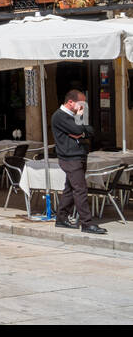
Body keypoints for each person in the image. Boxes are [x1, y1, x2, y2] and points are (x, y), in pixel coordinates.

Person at [53, 89, 105, 234]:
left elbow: (90, 131)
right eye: (81, 104)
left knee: (70, 189)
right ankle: (86, 223)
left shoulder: (76, 115)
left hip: (79, 156)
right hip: (70, 158)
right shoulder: (59, 116)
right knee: (80, 190)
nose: (84, 107)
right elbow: (77, 131)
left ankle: (61, 219)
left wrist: (80, 131)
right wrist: (80, 131)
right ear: (70, 102)